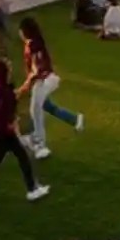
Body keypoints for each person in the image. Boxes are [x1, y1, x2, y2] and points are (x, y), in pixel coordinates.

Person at [0, 58, 50, 205]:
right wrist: (13, 128)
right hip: (4, 132)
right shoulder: (4, 92)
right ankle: (32, 190)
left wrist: (29, 81)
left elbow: (11, 97)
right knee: (20, 157)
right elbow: (5, 108)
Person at [18, 18, 84, 159]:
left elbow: (37, 69)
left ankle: (40, 145)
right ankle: (75, 119)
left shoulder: (32, 45)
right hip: (48, 78)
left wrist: (25, 86)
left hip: (44, 80)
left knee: (35, 109)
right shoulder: (35, 42)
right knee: (47, 106)